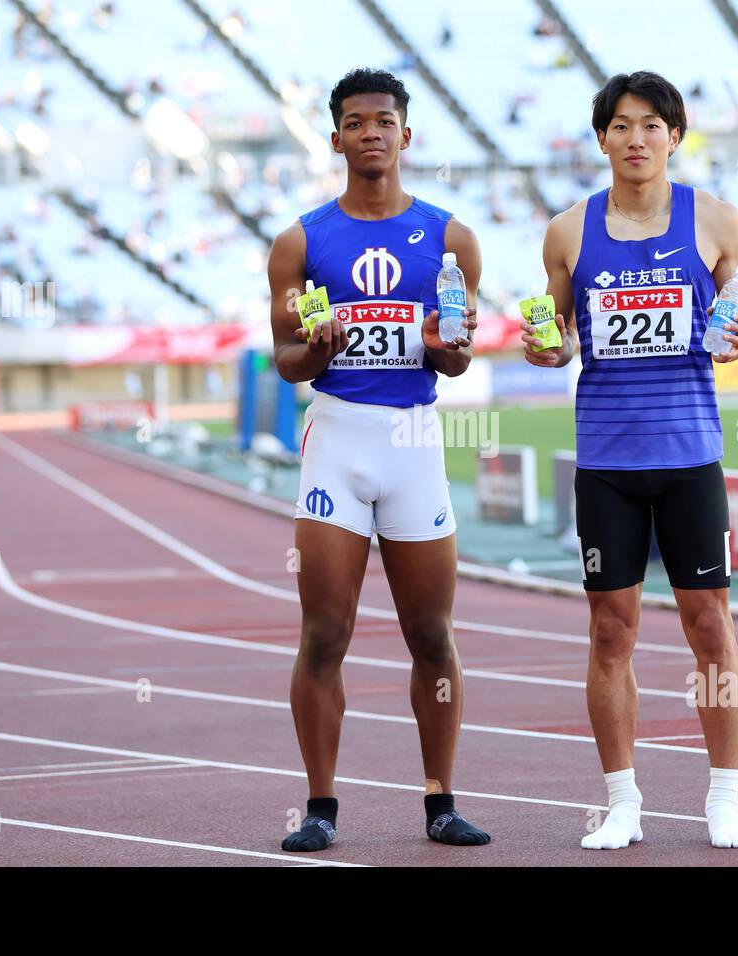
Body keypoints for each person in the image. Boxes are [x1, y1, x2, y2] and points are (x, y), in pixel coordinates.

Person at [522, 71, 738, 851]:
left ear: (674, 135)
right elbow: (554, 342)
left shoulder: (718, 221)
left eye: (651, 126)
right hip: (608, 462)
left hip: (691, 455)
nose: (636, 140)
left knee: (709, 627)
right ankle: (623, 800)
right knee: (609, 633)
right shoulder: (567, 232)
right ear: (600, 139)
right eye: (621, 126)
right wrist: (544, 348)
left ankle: (724, 798)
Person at [268, 67, 489, 852]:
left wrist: (445, 349)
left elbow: (458, 359)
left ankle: (441, 801)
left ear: (406, 134)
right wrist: (315, 344)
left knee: (431, 634)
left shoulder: (451, 238)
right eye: (355, 122)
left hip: (413, 443)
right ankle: (321, 807)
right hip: (337, 437)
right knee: (325, 632)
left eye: (384, 121)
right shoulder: (300, 239)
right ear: (335, 138)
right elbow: (287, 362)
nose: (371, 133)